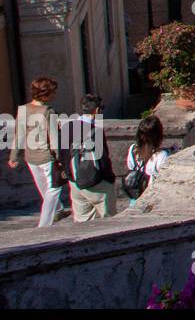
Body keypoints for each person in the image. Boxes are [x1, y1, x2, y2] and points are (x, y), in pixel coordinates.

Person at [7, 76, 63, 227]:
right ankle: (44, 225)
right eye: (53, 92)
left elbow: (19, 135)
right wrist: (58, 158)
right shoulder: (48, 111)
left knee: (45, 190)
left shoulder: (23, 109)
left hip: (30, 157)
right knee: (54, 189)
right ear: (46, 94)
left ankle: (58, 210)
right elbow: (54, 137)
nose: (54, 95)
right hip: (46, 157)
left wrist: (14, 157)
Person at [59, 94, 116, 222]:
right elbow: (103, 159)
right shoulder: (95, 130)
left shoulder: (67, 127)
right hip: (97, 183)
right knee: (109, 222)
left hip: (75, 183)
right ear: (96, 110)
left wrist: (70, 177)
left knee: (82, 223)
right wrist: (110, 179)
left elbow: (62, 155)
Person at [123, 115, 170, 204]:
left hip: (135, 198)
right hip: (150, 199)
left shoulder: (133, 149)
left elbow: (131, 167)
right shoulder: (161, 155)